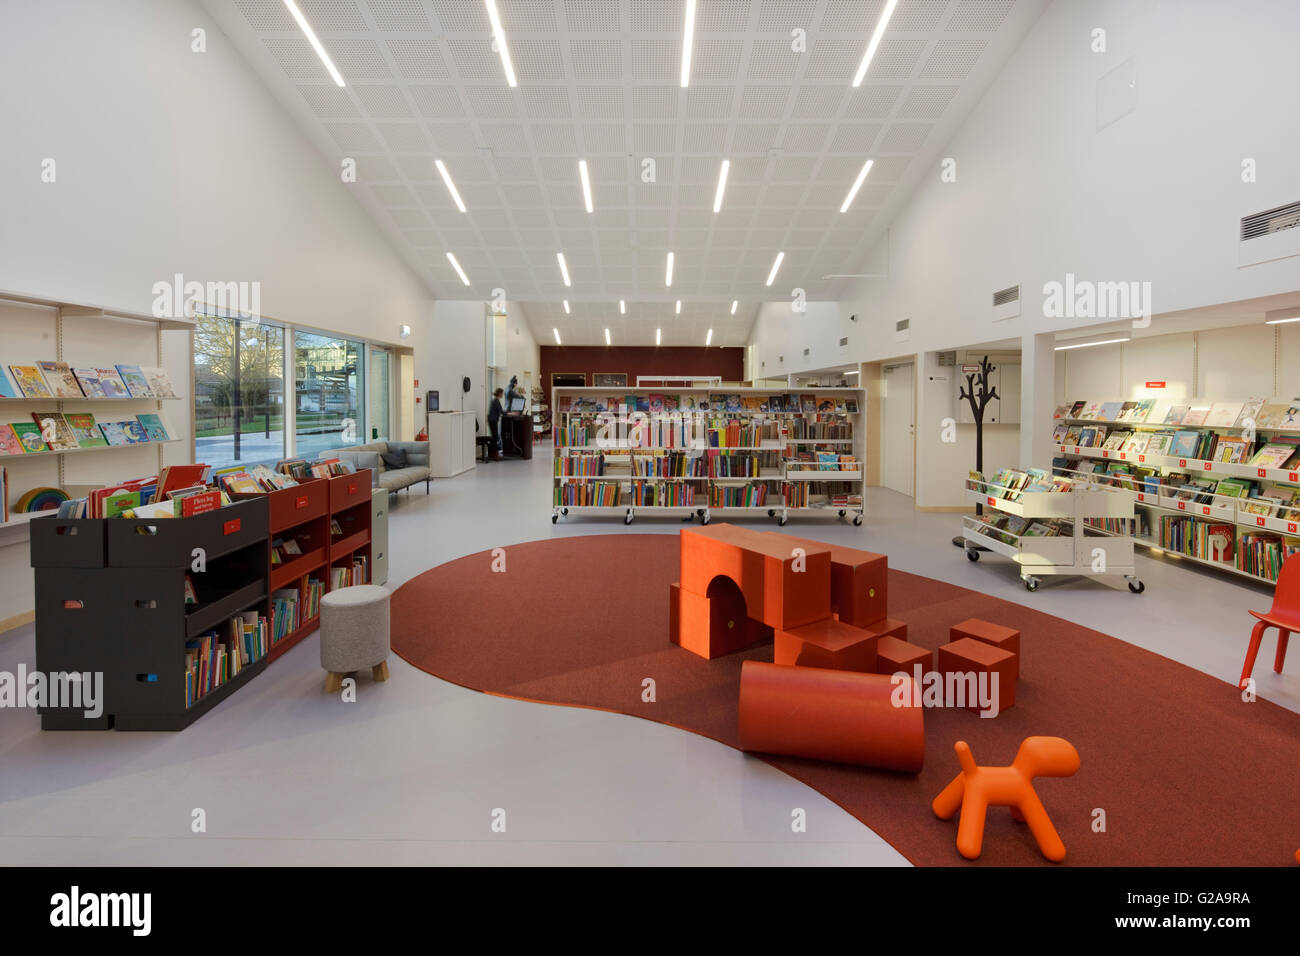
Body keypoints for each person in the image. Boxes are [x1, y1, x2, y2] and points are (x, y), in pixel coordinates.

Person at [488, 387, 505, 459]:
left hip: (492, 420)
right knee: (495, 437)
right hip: (493, 420)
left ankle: (492, 453)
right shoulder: (496, 401)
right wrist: (510, 413)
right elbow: (501, 411)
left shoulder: (495, 400)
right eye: (502, 393)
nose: (502, 395)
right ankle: (494, 454)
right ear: (500, 393)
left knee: (494, 436)